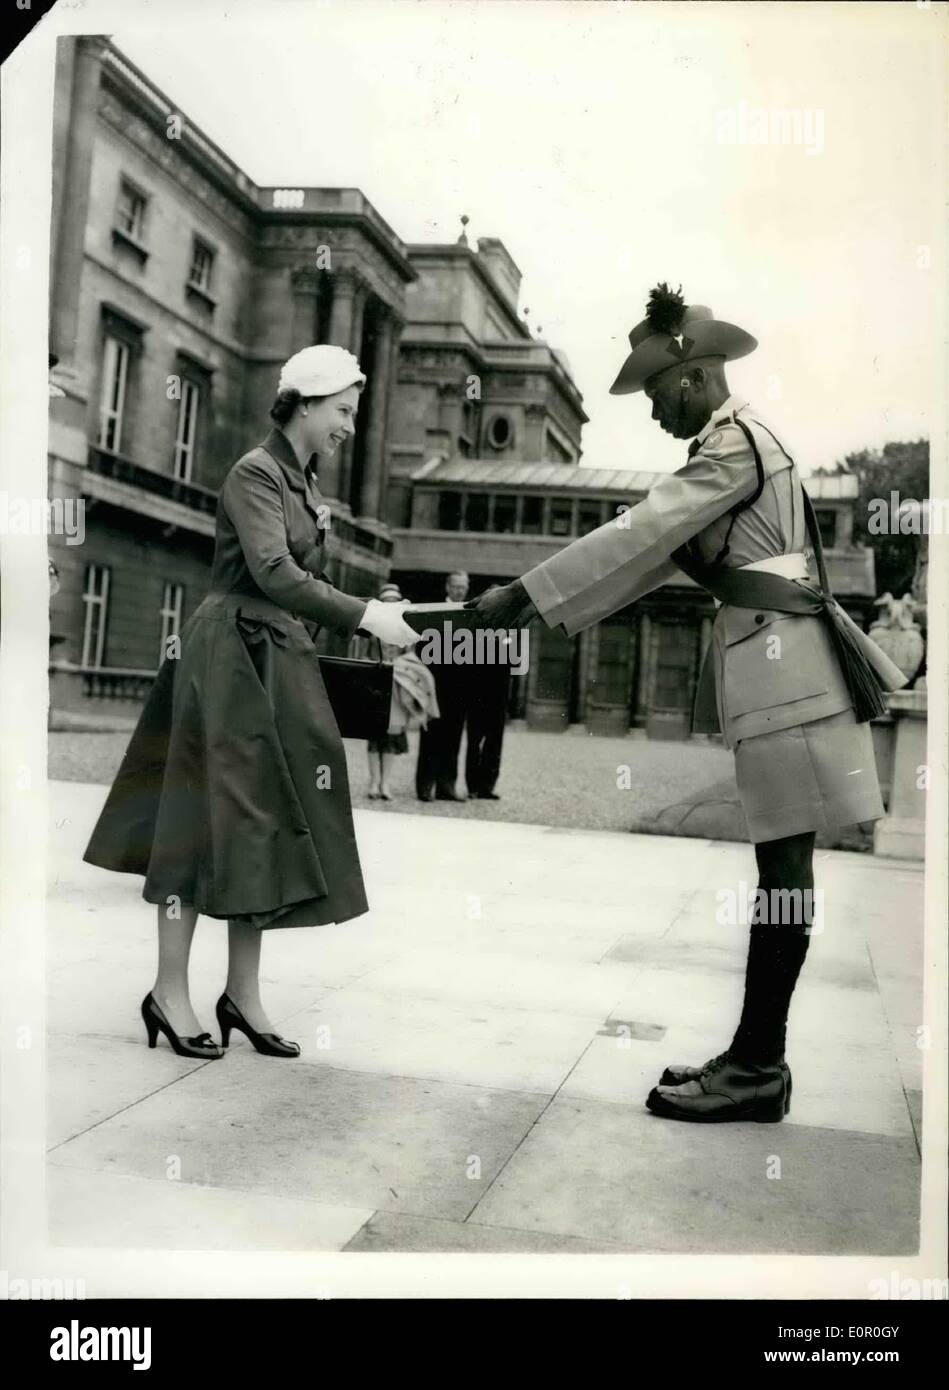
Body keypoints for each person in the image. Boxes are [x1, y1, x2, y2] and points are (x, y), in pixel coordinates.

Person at [468, 283, 905, 1123]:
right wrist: (536, 604)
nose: (655, 413)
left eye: (659, 393)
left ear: (695, 375)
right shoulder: (738, 445)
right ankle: (754, 1057)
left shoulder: (732, 447)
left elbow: (640, 531)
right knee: (780, 874)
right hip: (787, 674)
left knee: (782, 875)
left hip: (788, 681)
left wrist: (521, 594)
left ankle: (756, 1067)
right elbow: (654, 554)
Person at [82, 345, 418, 1060]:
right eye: (342, 412)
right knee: (197, 823)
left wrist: (372, 615)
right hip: (229, 657)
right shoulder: (254, 472)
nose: (349, 427)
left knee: (262, 822)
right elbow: (272, 572)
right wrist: (365, 615)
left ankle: (242, 995)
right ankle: (169, 992)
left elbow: (292, 582)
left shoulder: (298, 478)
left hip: (272, 657)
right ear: (303, 403)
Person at [357, 582, 440, 799]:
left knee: (391, 738)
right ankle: (373, 782)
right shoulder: (371, 627)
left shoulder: (406, 625)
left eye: (395, 602)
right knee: (374, 737)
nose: (392, 605)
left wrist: (401, 666)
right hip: (377, 682)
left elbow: (411, 656)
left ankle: (386, 783)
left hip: (397, 685)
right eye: (388, 602)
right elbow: (363, 656)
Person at [415, 569, 470, 801]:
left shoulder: (471, 613)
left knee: (453, 735)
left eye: (463, 587)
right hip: (434, 682)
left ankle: (447, 785)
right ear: (447, 587)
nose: (459, 591)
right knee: (431, 735)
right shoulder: (434, 610)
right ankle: (425, 785)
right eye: (456, 586)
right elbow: (421, 647)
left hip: (459, 685)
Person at [464, 629, 511, 799]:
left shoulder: (511, 635)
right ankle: (473, 786)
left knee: (494, 741)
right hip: (477, 696)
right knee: (474, 741)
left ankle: (487, 786)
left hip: (498, 697)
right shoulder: (476, 635)